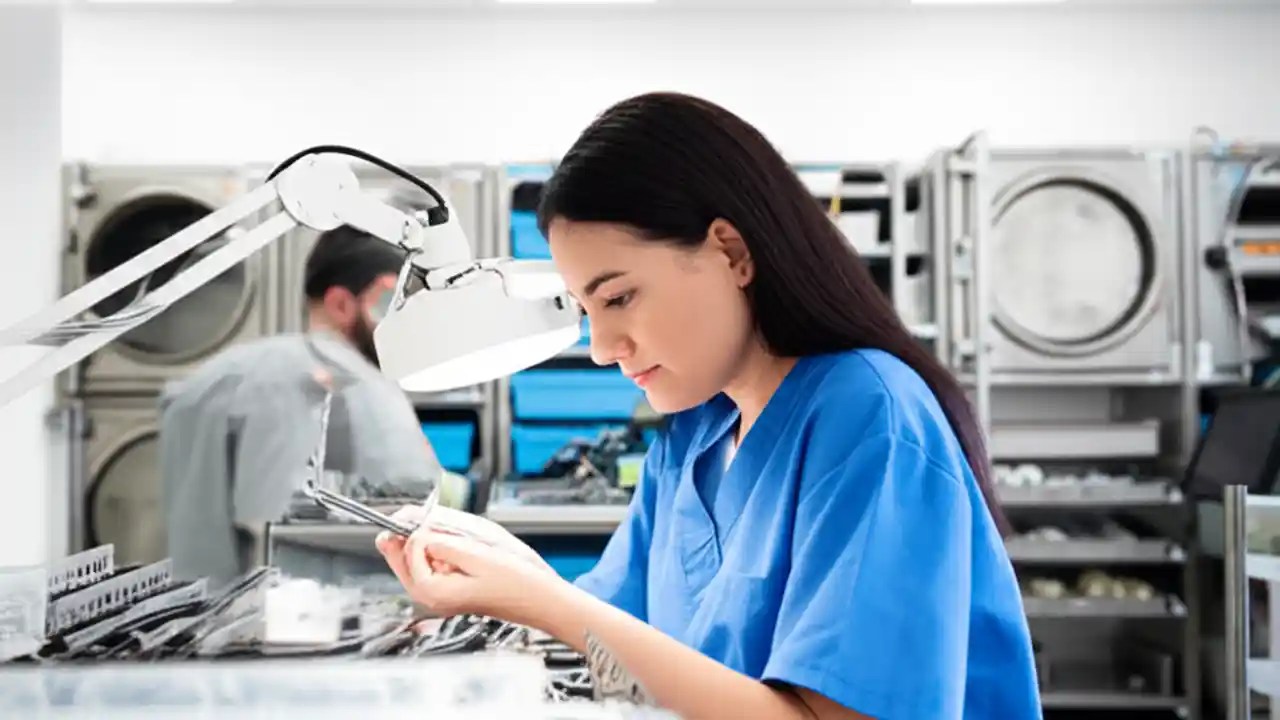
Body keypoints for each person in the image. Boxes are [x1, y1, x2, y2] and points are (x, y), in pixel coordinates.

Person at [377, 92, 1040, 720]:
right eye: (584, 311)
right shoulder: (696, 435)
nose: (603, 349)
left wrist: (543, 600)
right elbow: (623, 646)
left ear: (731, 251)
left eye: (618, 298)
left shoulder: (871, 414)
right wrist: (514, 576)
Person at [161, 225, 445, 587]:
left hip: (224, 612)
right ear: (341, 304)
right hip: (309, 620)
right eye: (394, 304)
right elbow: (281, 527)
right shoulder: (325, 381)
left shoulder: (231, 373)